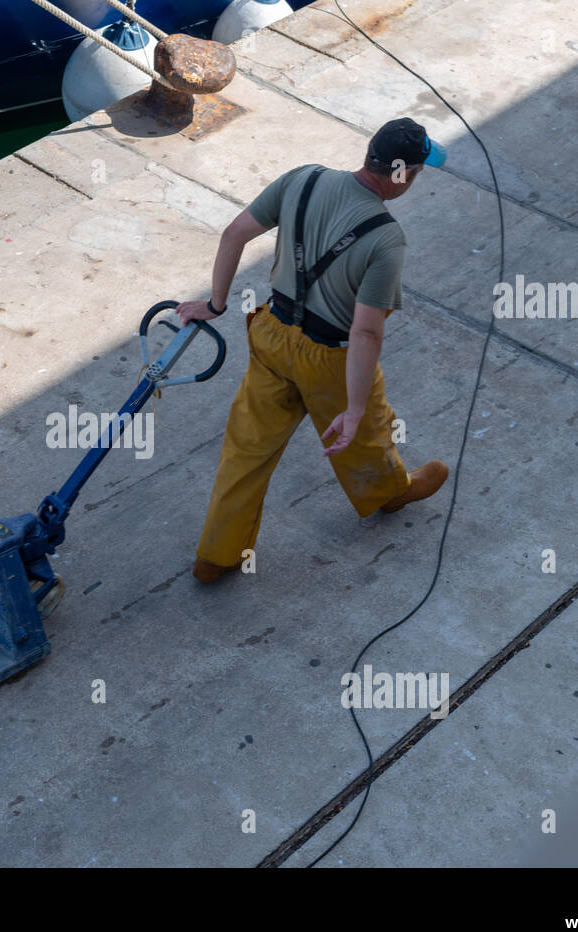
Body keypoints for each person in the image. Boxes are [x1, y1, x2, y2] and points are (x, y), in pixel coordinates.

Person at [176, 117, 451, 584]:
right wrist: (356, 406)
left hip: (270, 333)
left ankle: (217, 556)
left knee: (246, 450)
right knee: (364, 433)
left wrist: (215, 304)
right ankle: (389, 494)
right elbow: (365, 333)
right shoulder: (386, 239)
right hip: (330, 357)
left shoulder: (304, 178)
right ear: (403, 175)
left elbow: (233, 234)